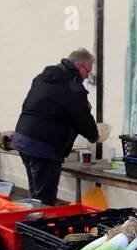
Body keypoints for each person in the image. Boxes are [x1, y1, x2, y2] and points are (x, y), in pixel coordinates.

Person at [11, 48, 100, 204]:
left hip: (24, 140)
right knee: (45, 199)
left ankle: (31, 224)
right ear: (79, 66)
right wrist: (95, 136)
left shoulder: (42, 78)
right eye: (88, 72)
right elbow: (81, 117)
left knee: (35, 196)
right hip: (43, 148)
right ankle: (40, 226)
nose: (87, 77)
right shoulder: (72, 86)